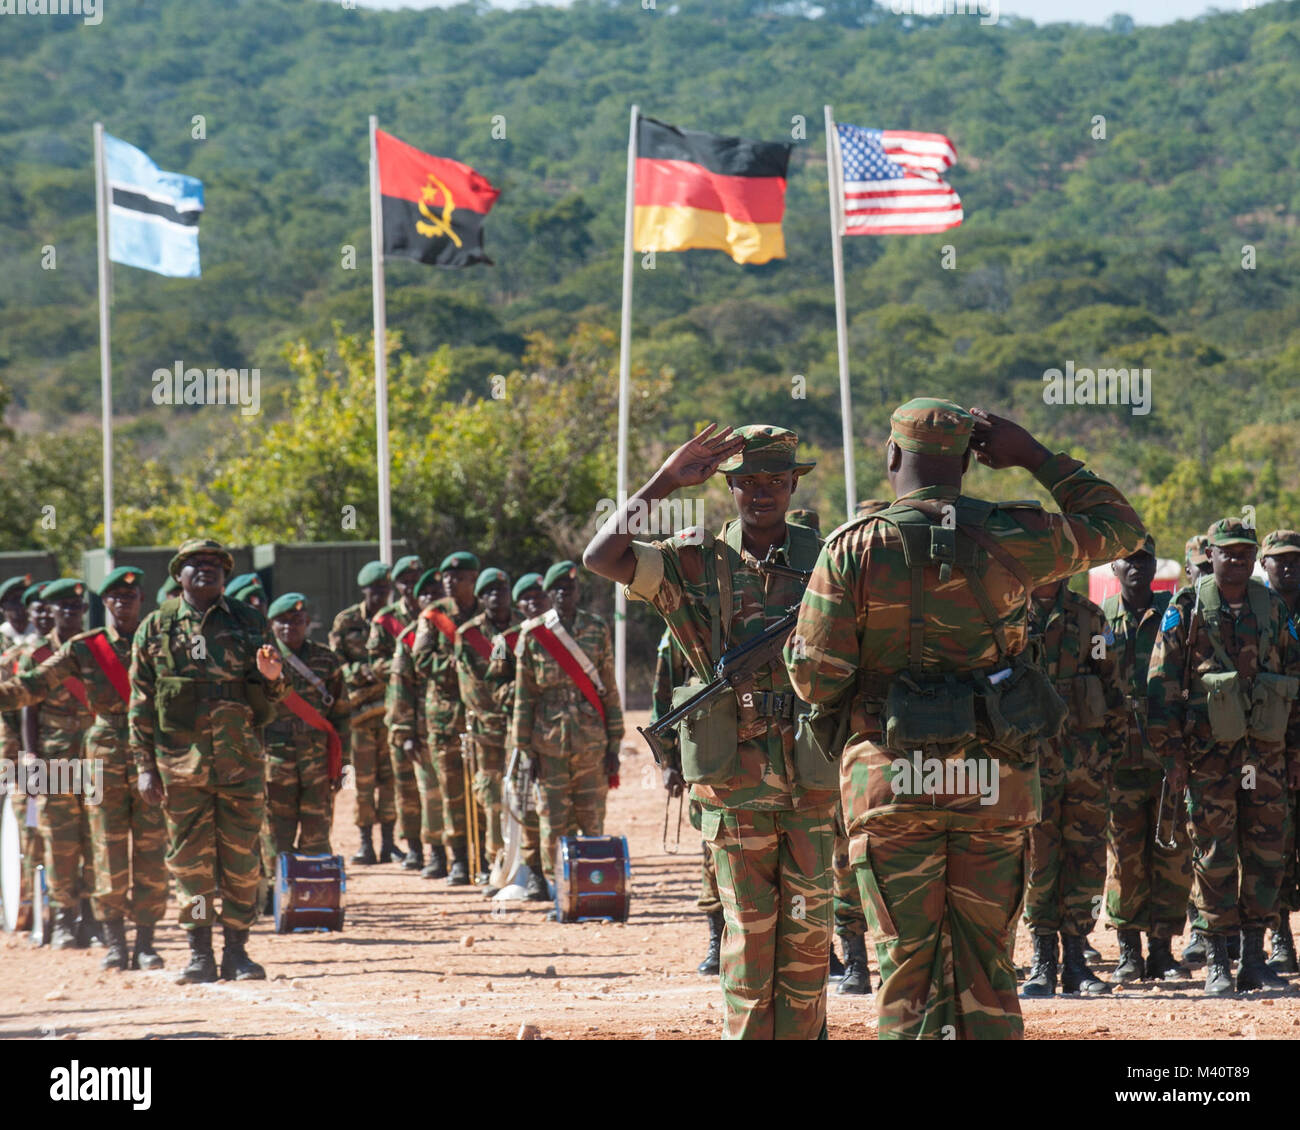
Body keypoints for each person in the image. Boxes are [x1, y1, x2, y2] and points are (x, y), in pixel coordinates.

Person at [786, 400, 1144, 1040]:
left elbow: (815, 677)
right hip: (992, 781)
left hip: (892, 783)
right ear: (969, 464)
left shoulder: (851, 549)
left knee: (906, 968)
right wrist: (1034, 455)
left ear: (892, 457)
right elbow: (1121, 528)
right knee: (988, 968)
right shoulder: (1017, 535)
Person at [586, 423, 834, 1040]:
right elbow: (602, 558)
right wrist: (665, 480)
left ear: (792, 483)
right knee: (749, 949)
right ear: (729, 486)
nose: (762, 493)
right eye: (749, 481)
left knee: (807, 950)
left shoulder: (830, 559)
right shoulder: (693, 560)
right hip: (735, 787)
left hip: (811, 784)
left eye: (775, 481)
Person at [1146, 518, 1300, 995]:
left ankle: (1254, 957)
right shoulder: (1187, 607)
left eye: (1245, 552)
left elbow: (1294, 678)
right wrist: (1171, 755)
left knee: (1266, 856)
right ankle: (1217, 959)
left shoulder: (1271, 607)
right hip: (1206, 758)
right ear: (1210, 555)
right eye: (1227, 552)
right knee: (1213, 857)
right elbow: (1160, 685)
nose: (1237, 560)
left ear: (1255, 558)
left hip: (1265, 757)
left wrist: (1293, 751)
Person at [129, 538, 287, 984]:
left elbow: (277, 692)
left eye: (216, 565)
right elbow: (139, 704)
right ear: (178, 574)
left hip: (241, 764)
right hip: (181, 768)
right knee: (191, 864)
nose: (206, 570)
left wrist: (275, 678)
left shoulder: (249, 622)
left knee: (242, 861)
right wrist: (144, 767)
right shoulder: (156, 628)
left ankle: (237, 951)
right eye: (195, 564)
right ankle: (199, 952)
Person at [0, 567, 168, 970]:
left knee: (151, 850)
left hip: (153, 758)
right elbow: (34, 686)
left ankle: (145, 943)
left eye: (131, 596)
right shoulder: (86, 648)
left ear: (142, 601)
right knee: (103, 848)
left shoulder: (162, 644)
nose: (123, 602)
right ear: (105, 603)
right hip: (103, 757)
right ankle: (111, 941)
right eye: (115, 597)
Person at [1018, 576, 1124, 997]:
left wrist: (1113, 754)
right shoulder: (1009, 612)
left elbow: (1112, 686)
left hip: (1086, 761)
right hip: (1029, 763)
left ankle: (1078, 960)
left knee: (1087, 858)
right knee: (1038, 859)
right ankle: (1043, 960)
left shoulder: (1090, 616)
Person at [1101, 536, 1193, 982]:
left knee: (1170, 854)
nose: (1137, 568)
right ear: (1114, 568)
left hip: (1166, 756)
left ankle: (1162, 951)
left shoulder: (1173, 615)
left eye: (1145, 560)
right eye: (1128, 561)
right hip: (1117, 759)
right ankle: (1128, 952)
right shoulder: (1100, 622)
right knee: (1124, 857)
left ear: (1155, 565)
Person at [513, 560, 624, 912]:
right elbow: (524, 697)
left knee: (592, 818)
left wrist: (615, 743)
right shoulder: (534, 636)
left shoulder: (595, 628)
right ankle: (559, 894)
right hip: (549, 745)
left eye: (570, 588)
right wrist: (525, 751)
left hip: (591, 743)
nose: (564, 593)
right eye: (557, 588)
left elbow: (609, 688)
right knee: (553, 821)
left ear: (578, 591)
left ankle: (591, 893)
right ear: (549, 594)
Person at [18, 578, 97, 950]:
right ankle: (64, 919)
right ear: (48, 612)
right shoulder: (34, 656)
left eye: (75, 607)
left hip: (96, 759)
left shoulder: (97, 650)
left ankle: (94, 919)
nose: (69, 612)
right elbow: (28, 711)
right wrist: (30, 757)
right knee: (61, 843)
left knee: (97, 840)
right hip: (55, 761)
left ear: (83, 611)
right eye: (61, 607)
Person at [654, 626, 724, 973]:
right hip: (708, 753)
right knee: (714, 844)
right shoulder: (681, 624)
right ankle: (718, 938)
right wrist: (668, 760)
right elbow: (664, 696)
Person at [262, 593, 350, 865]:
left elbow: (342, 715)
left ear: (308, 622)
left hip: (317, 761)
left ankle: (315, 888)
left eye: (297, 620)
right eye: (282, 621)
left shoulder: (327, 660)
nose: (290, 626)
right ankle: (275, 893)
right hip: (274, 760)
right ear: (271, 624)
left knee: (317, 830)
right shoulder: (262, 659)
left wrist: (344, 764)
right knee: (277, 832)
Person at [454, 568, 521, 893]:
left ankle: (526, 865)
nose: (497, 596)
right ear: (481, 598)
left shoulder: (526, 626)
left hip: (525, 727)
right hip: (488, 730)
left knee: (524, 797)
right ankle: (495, 865)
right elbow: (474, 689)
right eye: (490, 591)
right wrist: (511, 702)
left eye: (502, 589)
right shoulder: (468, 635)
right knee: (493, 799)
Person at [330, 561, 399, 865]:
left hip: (390, 712)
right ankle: (365, 845)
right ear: (364, 590)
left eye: (385, 589)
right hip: (358, 715)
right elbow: (335, 665)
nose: (381, 595)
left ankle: (389, 844)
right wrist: (365, 672)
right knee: (364, 783)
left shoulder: (394, 621)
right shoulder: (346, 621)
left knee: (390, 780)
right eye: (376, 590)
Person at [389, 567, 450, 877]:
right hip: (424, 729)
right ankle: (437, 854)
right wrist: (406, 732)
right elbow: (401, 689)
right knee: (431, 795)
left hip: (458, 727)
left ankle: (474, 856)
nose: (432, 601)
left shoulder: (464, 631)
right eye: (426, 596)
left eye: (437, 595)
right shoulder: (410, 637)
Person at [367, 554, 426, 869]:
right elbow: (374, 663)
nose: (411, 587)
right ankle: (414, 848)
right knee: (405, 787)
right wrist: (404, 666)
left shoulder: (436, 616)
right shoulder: (386, 621)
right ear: (397, 586)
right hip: (401, 711)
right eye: (405, 582)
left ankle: (446, 851)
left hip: (435, 712)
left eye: (416, 581)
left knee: (437, 786)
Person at [1261, 529, 1300, 971]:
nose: (1288, 566)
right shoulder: (1257, 611)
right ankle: (1280, 938)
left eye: (1296, 560)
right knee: (1274, 849)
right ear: (1265, 565)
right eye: (1279, 560)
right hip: (1272, 750)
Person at [509, 572, 549, 898]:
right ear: (519, 606)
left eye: (540, 596)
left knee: (556, 810)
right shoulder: (511, 640)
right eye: (528, 599)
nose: (535, 603)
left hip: (561, 739)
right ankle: (532, 872)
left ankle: (565, 875)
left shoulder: (569, 633)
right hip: (525, 736)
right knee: (525, 808)